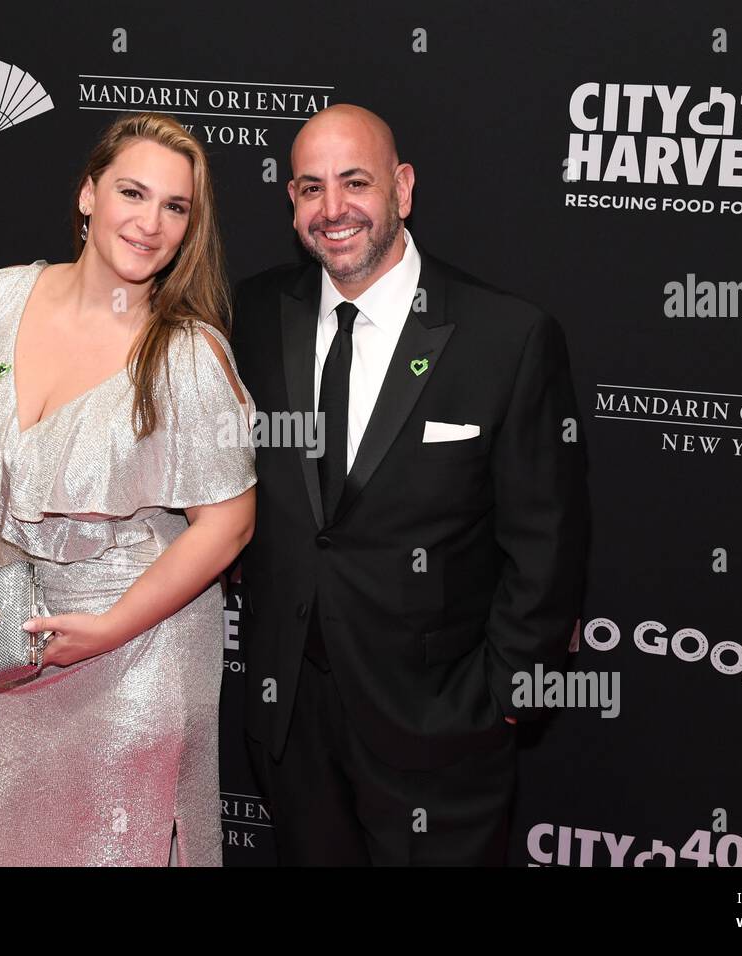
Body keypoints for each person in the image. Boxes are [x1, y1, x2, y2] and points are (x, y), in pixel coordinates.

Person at [230, 104, 590, 865]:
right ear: (290, 202)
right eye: (309, 188)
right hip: (291, 721)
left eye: (354, 182)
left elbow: (546, 543)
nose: (333, 210)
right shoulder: (253, 316)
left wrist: (501, 702)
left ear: (403, 187)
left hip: (441, 730)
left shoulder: (506, 335)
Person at [0, 112, 256, 866]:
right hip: (17, 619)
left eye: (176, 207)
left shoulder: (189, 354)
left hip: (141, 647)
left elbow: (227, 523)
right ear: (87, 195)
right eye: (133, 192)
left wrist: (110, 626)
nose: (151, 222)